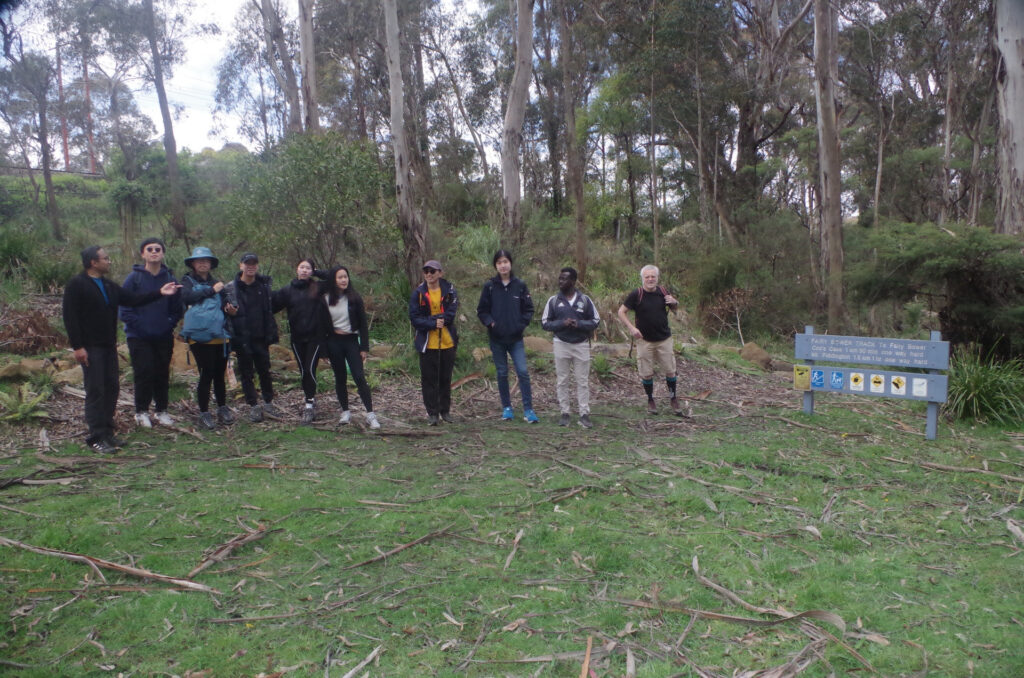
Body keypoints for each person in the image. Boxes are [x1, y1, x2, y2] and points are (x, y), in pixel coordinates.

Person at [62, 245, 180, 453]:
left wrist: (160, 293)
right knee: (96, 390)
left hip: (108, 346)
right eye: (105, 259)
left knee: (111, 388)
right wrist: (78, 347)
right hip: (90, 347)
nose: (109, 261)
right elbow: (70, 317)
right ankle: (96, 437)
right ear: (93, 262)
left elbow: (133, 300)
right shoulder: (77, 285)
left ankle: (108, 433)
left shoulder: (108, 285)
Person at [118, 237, 183, 429]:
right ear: (143, 254)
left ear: (163, 253)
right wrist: (140, 325)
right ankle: (141, 411)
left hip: (163, 335)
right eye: (150, 249)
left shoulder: (170, 278)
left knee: (162, 373)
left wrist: (168, 323)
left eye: (158, 249)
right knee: (143, 372)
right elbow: (124, 308)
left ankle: (161, 410)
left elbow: (177, 308)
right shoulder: (133, 279)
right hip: (138, 337)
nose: (154, 252)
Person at [476, 249, 538, 422]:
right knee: (502, 373)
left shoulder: (520, 285)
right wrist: (491, 323)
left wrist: (520, 325)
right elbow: (482, 311)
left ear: (510, 263)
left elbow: (529, 309)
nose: (503, 265)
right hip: (497, 339)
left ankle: (528, 410)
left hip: (516, 338)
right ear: (495, 266)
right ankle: (507, 408)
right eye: (499, 262)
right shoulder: (489, 286)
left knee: (523, 372)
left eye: (505, 262)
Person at [180, 246, 235, 430]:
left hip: (220, 335)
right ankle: (204, 412)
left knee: (220, 375)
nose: (203, 263)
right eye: (199, 260)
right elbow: (187, 297)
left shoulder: (218, 282)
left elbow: (227, 301)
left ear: (211, 264)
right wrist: (212, 290)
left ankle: (222, 408)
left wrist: (230, 308)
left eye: (206, 260)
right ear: (193, 264)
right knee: (206, 373)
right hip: (199, 337)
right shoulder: (187, 281)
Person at [319, 266, 380, 430]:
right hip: (333, 342)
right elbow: (321, 327)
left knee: (359, 376)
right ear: (333, 280)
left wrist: (364, 348)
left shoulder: (354, 298)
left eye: (345, 277)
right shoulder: (325, 299)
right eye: (340, 277)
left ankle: (370, 414)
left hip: (352, 341)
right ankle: (345, 412)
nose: (343, 280)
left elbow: (363, 325)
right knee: (340, 378)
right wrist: (323, 351)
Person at [617, 264, 682, 415]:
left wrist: (674, 302)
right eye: (647, 277)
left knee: (670, 371)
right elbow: (621, 312)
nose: (650, 279)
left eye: (653, 276)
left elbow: (675, 309)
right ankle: (650, 400)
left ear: (657, 278)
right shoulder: (636, 294)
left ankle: (673, 398)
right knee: (646, 373)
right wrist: (632, 329)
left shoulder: (664, 292)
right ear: (642, 279)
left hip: (664, 339)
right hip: (644, 340)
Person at [541, 267, 600, 428]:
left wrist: (579, 324)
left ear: (573, 281)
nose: (560, 282)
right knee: (562, 380)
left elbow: (595, 321)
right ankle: (565, 413)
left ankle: (584, 414)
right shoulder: (554, 301)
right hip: (561, 344)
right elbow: (545, 323)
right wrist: (562, 323)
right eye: (560, 279)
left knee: (582, 381)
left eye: (564, 279)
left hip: (581, 344)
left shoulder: (585, 300)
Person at [225, 253, 280, 423]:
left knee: (265, 370)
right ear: (240, 265)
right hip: (241, 337)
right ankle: (253, 406)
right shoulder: (231, 288)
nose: (251, 267)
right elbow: (224, 311)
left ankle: (269, 402)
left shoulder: (263, 287)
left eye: (254, 264)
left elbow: (270, 309)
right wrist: (230, 314)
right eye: (247, 263)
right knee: (246, 373)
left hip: (261, 336)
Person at [273, 259, 327, 424]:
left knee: (310, 369)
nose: (304, 270)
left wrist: (317, 272)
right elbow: (271, 306)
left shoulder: (317, 288)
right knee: (304, 371)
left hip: (315, 338)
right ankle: (309, 397)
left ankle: (309, 406)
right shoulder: (287, 290)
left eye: (308, 268)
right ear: (296, 269)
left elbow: (335, 277)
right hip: (297, 339)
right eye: (302, 267)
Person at [409, 259, 459, 425]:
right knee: (429, 379)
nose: (429, 274)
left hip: (447, 342)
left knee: (445, 377)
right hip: (427, 343)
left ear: (440, 273)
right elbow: (415, 318)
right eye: (426, 271)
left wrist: (440, 320)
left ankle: (445, 411)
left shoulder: (450, 290)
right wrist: (432, 323)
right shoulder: (418, 293)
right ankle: (432, 413)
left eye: (432, 271)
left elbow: (451, 313)